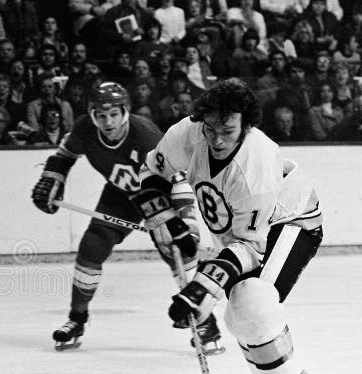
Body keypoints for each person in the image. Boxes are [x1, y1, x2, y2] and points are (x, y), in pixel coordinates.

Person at [132, 78, 322, 374]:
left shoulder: (256, 166)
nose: (217, 140)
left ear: (246, 126)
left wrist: (202, 286)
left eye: (228, 131)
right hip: (241, 233)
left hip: (290, 222)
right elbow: (152, 173)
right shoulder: (188, 134)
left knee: (251, 301)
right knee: (240, 311)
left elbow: (250, 246)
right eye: (211, 129)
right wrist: (168, 219)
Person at [31, 82, 225, 353]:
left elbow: (178, 178)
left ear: (125, 112)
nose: (107, 121)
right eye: (100, 115)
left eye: (113, 114)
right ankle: (76, 320)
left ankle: (206, 323)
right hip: (120, 195)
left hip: (159, 196)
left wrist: (186, 222)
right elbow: (65, 154)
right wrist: (53, 177)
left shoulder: (145, 136)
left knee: (179, 255)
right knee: (91, 247)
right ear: (91, 113)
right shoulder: (85, 128)